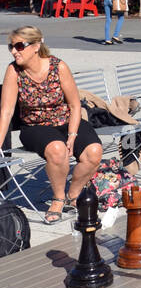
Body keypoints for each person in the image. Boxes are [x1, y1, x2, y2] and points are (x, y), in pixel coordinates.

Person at [0, 26, 104, 224]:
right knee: (57, 149)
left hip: (66, 121)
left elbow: (74, 105)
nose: (14, 51)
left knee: (94, 152)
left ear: (36, 46)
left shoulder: (58, 66)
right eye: (11, 47)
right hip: (34, 127)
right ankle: (57, 198)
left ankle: (73, 195)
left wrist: (72, 135)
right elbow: (6, 111)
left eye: (20, 46)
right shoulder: (13, 71)